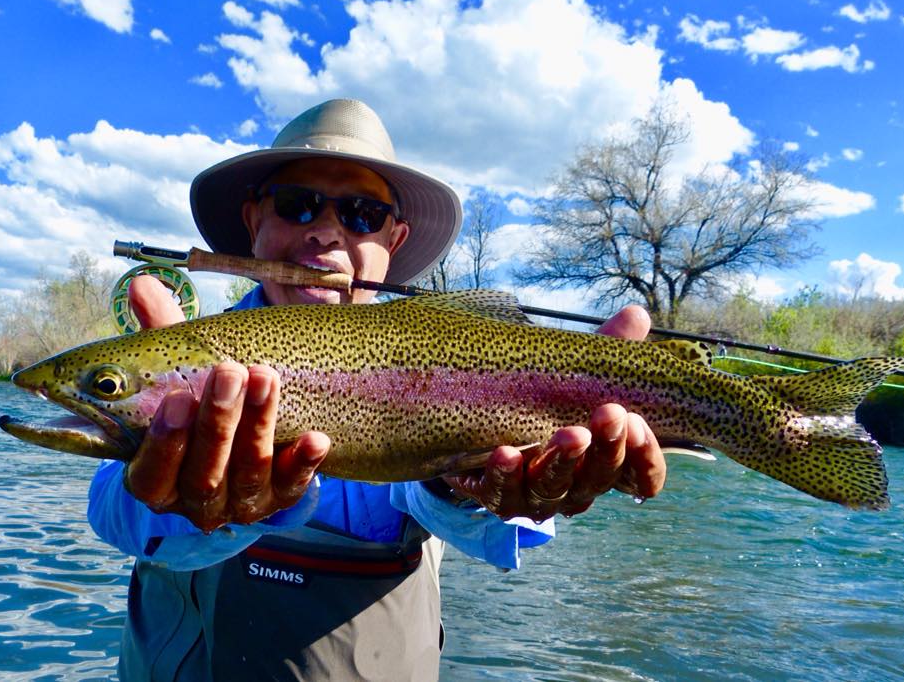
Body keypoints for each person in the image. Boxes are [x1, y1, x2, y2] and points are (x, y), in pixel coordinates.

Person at [87, 99, 666, 681]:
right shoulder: (188, 357)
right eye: (296, 204)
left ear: (395, 239)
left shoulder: (445, 358)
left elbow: (495, 536)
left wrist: (466, 487)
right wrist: (196, 501)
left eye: (363, 214)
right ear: (251, 222)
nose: (326, 231)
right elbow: (116, 517)